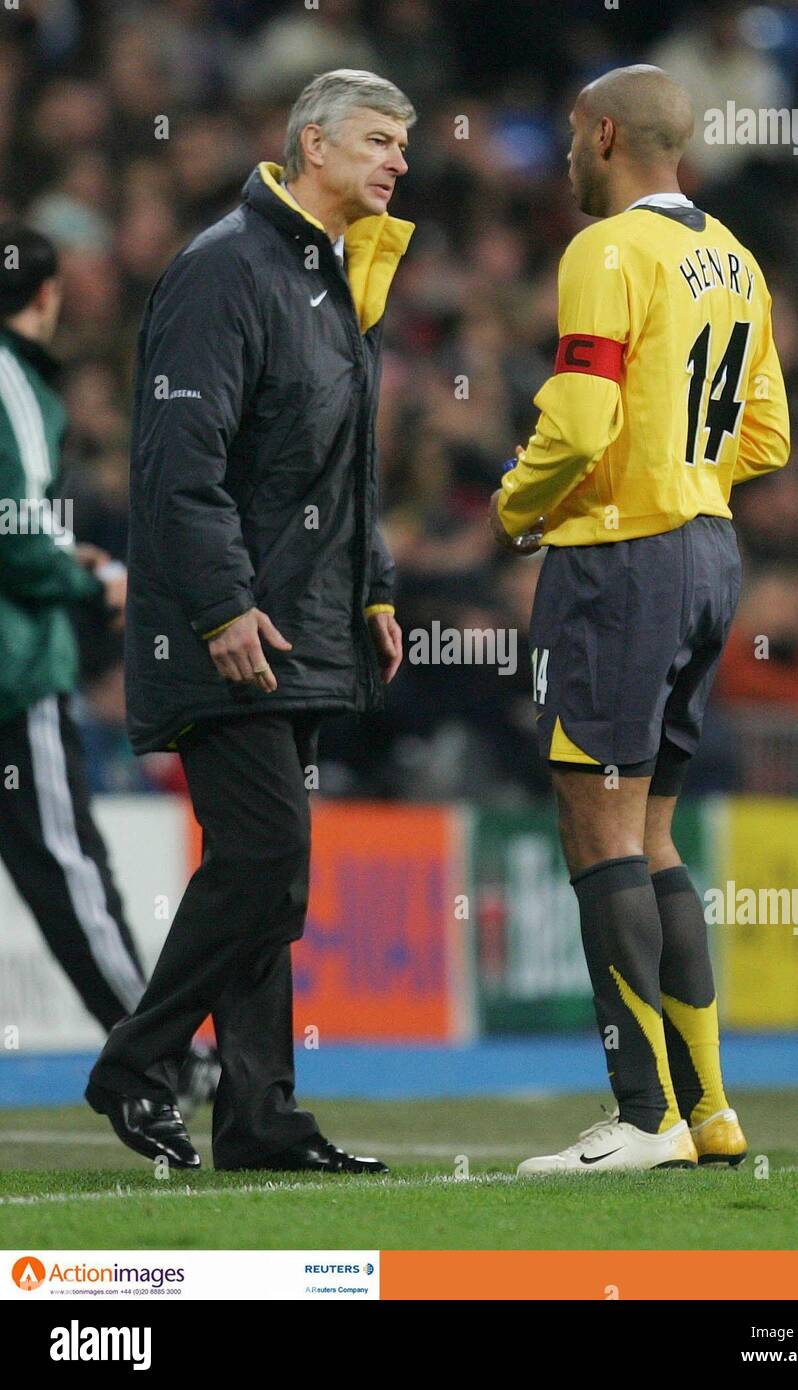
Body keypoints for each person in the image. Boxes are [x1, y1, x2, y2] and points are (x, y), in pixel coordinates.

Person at [85, 70, 414, 1173]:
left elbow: (347, 462)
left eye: (402, 145)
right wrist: (225, 603)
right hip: (224, 623)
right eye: (376, 140)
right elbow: (178, 466)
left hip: (302, 620)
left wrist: (370, 585)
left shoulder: (329, 278)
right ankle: (139, 1060)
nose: (397, 162)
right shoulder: (225, 267)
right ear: (311, 146)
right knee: (267, 855)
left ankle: (260, 1118)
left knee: (266, 872)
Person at [489, 66, 790, 1174]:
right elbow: (765, 438)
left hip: (619, 557)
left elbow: (575, 420)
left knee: (594, 828)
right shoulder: (737, 263)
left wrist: (513, 505)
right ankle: (707, 1109)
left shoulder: (605, 250)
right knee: (652, 830)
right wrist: (683, 474)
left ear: (605, 134)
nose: (567, 156)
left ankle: (640, 1110)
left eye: (572, 136)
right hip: (707, 549)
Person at [0, 221, 218, 1111]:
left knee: (63, 873)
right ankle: (160, 1052)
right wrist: (88, 586)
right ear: (46, 296)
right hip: (15, 669)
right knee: (69, 871)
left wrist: (64, 554)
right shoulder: (14, 380)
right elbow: (13, 530)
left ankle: (156, 1050)